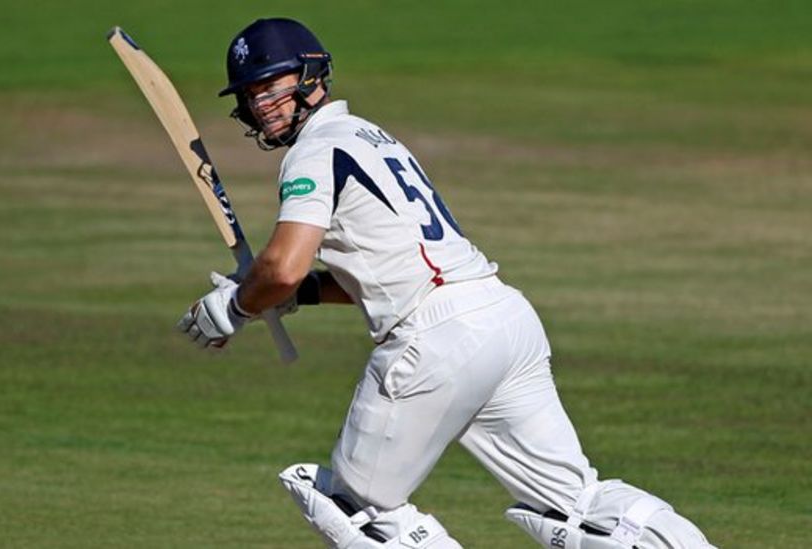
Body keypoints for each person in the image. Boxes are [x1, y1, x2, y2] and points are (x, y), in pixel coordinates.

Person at [177, 17, 716, 549]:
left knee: (356, 507)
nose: (261, 105)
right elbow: (378, 267)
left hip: (437, 339)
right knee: (575, 505)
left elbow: (282, 266)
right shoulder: (372, 137)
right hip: (503, 319)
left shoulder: (314, 152)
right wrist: (299, 293)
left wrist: (233, 308)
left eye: (272, 86)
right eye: (251, 94)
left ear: (313, 76)